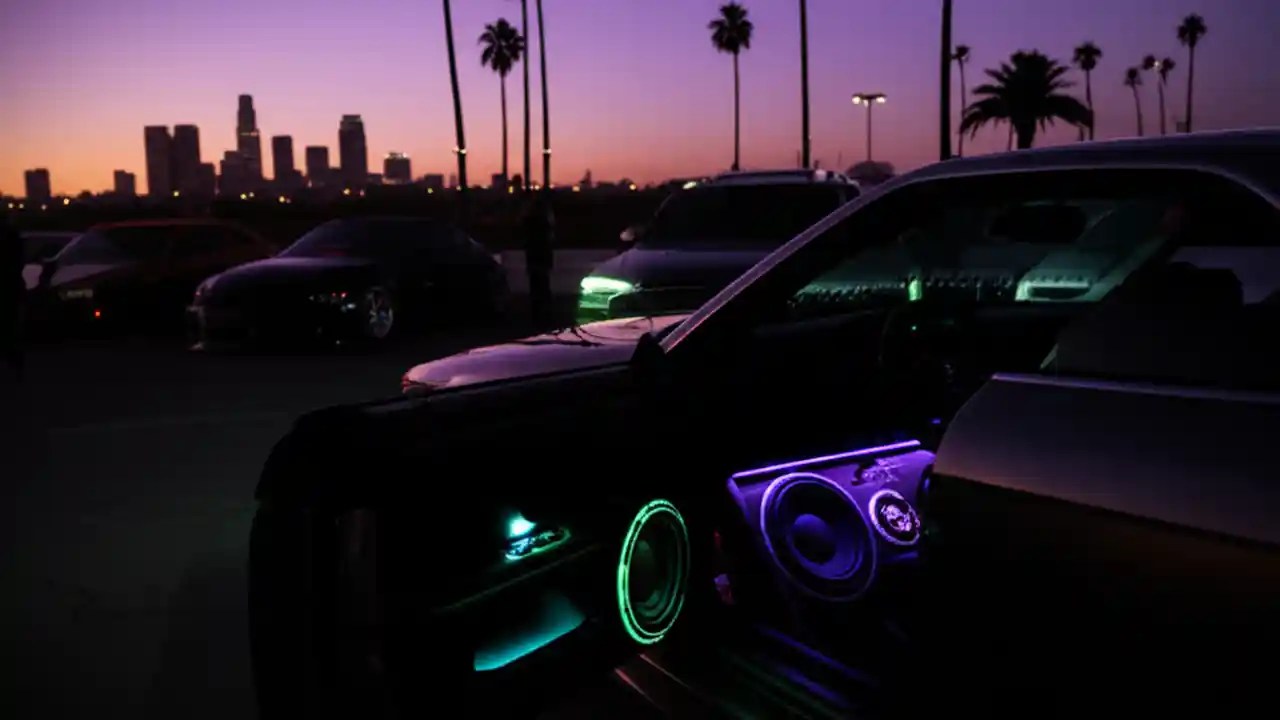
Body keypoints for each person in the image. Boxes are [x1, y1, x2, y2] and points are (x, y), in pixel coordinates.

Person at [520, 192, 555, 326]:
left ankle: (537, 312)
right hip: (542, 255)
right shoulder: (544, 223)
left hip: (534, 255)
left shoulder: (530, 220)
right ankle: (544, 312)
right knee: (543, 284)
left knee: (536, 284)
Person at [0, 210, 24, 380]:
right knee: (10, 326)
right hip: (11, 286)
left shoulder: (10, 236)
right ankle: (14, 361)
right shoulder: (12, 236)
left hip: (8, 286)